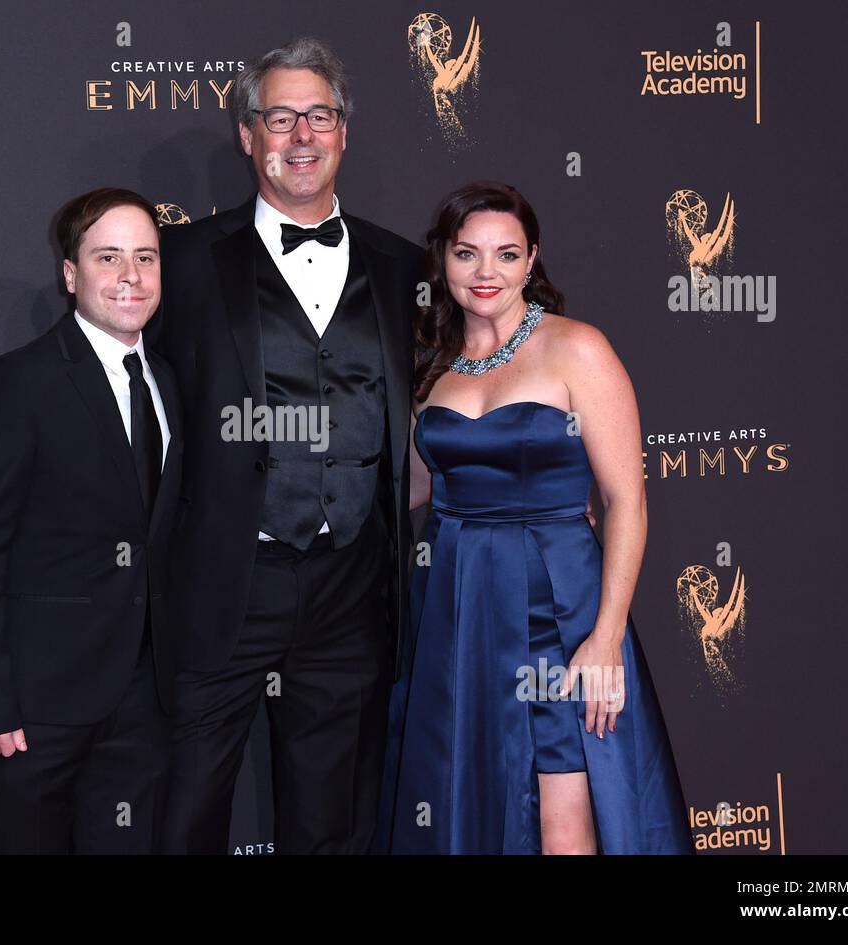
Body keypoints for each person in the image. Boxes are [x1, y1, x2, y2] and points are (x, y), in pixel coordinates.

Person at [148, 37, 425, 853]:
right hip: (227, 584)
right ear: (247, 135)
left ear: (345, 131)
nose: (300, 136)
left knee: (330, 824)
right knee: (185, 815)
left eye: (319, 116)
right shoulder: (183, 260)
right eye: (280, 117)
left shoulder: (405, 265)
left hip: (353, 589)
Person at [376, 181, 694, 854]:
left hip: (558, 604)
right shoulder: (434, 366)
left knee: (561, 815)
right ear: (444, 261)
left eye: (505, 254)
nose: (486, 272)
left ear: (532, 259)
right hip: (456, 605)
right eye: (468, 254)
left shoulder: (577, 348)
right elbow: (409, 487)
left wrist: (606, 637)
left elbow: (627, 501)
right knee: (470, 796)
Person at [0, 188, 182, 853]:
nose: (131, 276)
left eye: (146, 257)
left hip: (141, 709)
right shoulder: (20, 383)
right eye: (109, 257)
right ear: (70, 274)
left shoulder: (166, 380)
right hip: (32, 714)